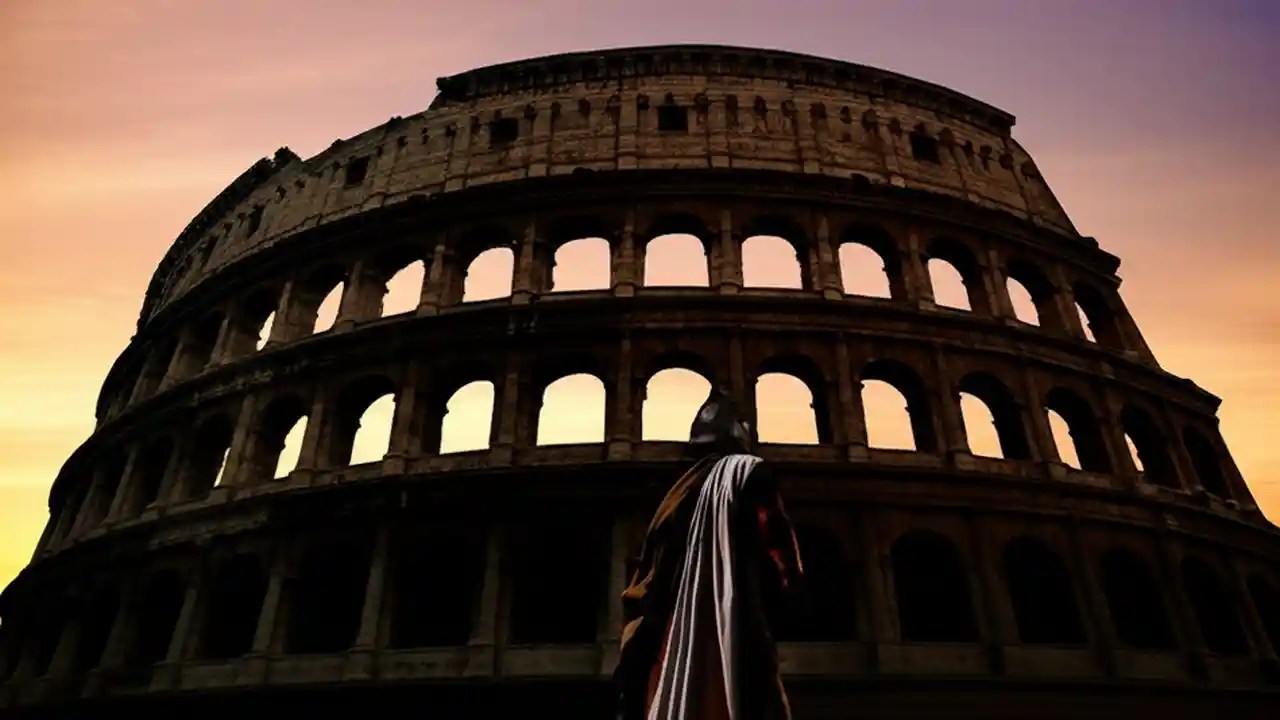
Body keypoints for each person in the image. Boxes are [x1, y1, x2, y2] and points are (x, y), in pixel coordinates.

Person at [614, 386, 806, 720]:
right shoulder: (750, 472)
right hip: (735, 621)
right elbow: (778, 551)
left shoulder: (678, 491)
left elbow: (647, 569)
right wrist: (788, 600)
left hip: (667, 631)